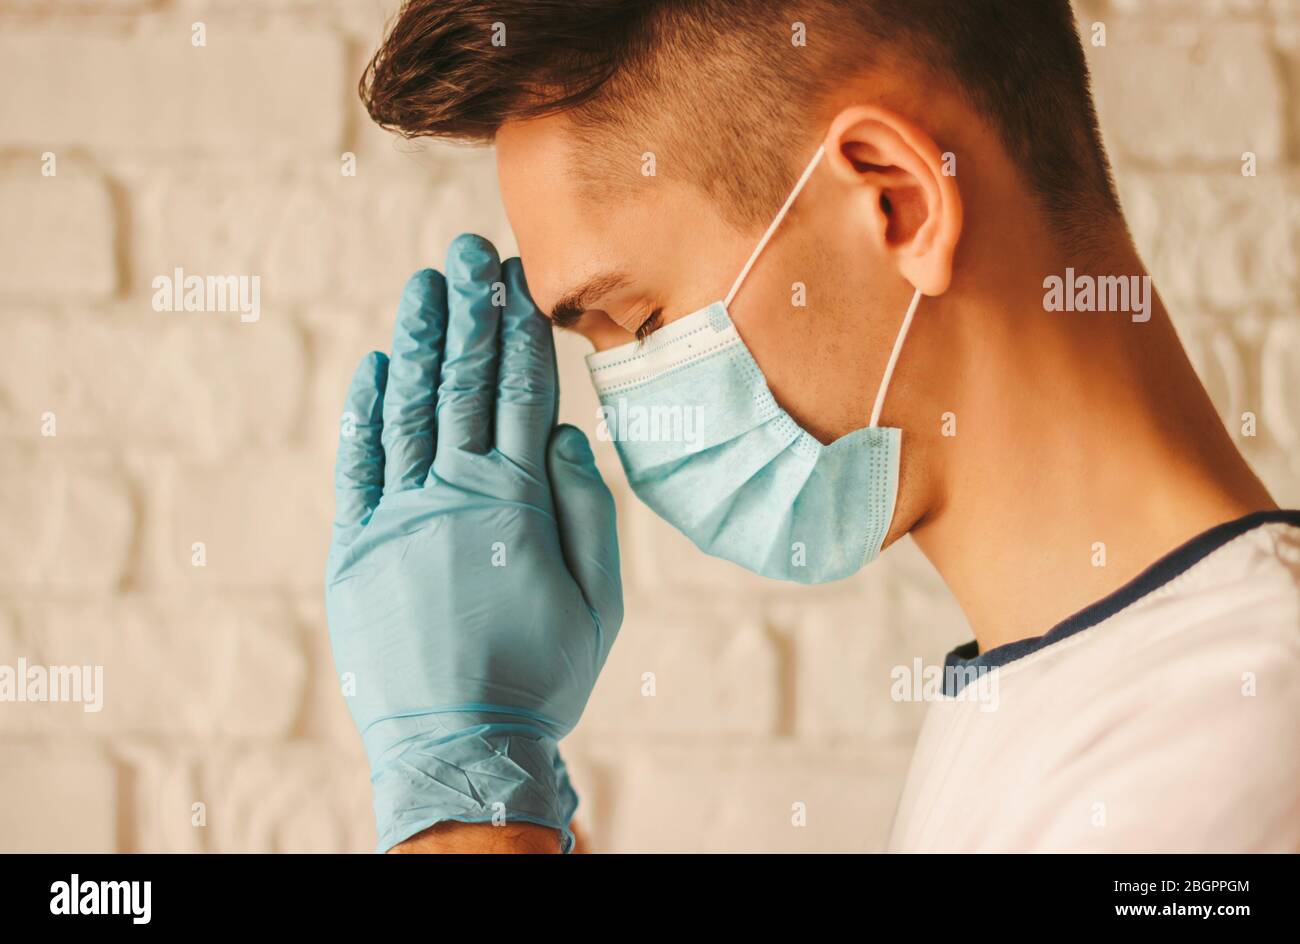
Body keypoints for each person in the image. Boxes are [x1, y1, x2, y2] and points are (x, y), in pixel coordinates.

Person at [325, 0, 1300, 853]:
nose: (622, 399)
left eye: (641, 319)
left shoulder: (1225, 743)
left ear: (898, 202)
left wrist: (461, 807)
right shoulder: (1078, 690)